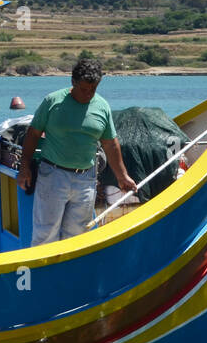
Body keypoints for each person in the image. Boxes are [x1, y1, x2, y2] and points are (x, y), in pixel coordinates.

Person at [16, 58, 138, 246]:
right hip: (53, 175)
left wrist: (122, 176)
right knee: (46, 233)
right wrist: (25, 168)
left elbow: (110, 144)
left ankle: (67, 274)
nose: (88, 94)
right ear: (73, 82)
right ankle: (43, 274)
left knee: (77, 236)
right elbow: (32, 135)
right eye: (84, 89)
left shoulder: (102, 107)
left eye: (93, 89)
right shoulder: (52, 102)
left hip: (85, 180)